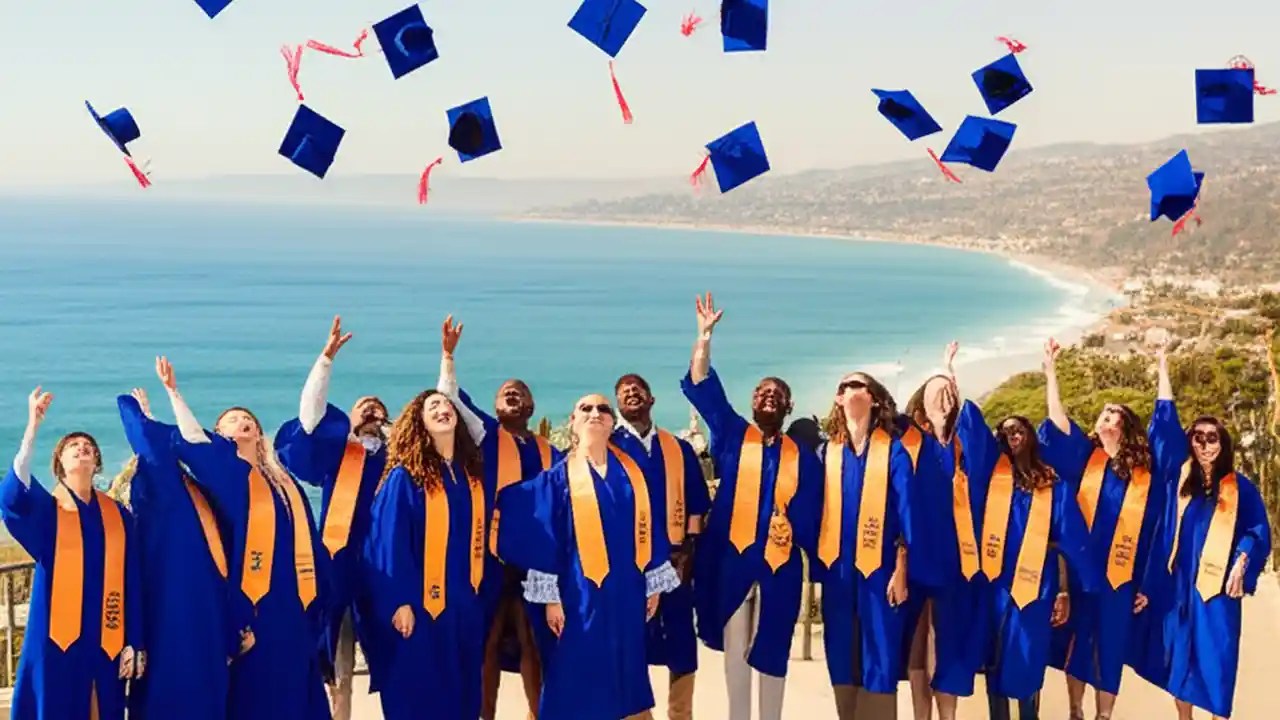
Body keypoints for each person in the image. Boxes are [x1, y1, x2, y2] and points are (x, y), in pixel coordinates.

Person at [158, 357, 332, 720]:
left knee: (302, 691)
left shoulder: (284, 481)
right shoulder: (229, 476)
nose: (242, 420)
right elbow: (194, 441)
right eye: (231, 420)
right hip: (255, 605)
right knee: (259, 694)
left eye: (247, 418)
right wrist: (173, 393)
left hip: (298, 603)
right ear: (221, 436)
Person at [679, 293, 822, 720]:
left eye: (778, 393)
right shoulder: (732, 434)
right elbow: (703, 386)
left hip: (779, 566)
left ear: (788, 406)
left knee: (774, 651)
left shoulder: (804, 456)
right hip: (732, 559)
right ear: (753, 401)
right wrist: (703, 338)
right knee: (735, 655)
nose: (769, 396)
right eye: (762, 391)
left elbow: (815, 514)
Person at [495, 393, 680, 720]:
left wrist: (653, 582)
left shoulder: (633, 476)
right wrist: (551, 597)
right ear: (573, 422)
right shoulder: (557, 479)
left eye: (603, 409)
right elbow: (542, 534)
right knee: (573, 674)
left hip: (626, 593)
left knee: (624, 674)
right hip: (578, 595)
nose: (595, 413)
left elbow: (649, 530)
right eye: (586, 408)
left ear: (612, 423)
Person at [432, 315, 564, 718]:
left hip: (536, 563)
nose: (512, 394)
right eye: (505, 392)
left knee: (533, 642)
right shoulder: (486, 436)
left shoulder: (551, 453)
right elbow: (449, 399)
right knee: (485, 642)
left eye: (519, 392)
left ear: (531, 407)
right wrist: (448, 357)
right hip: (487, 554)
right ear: (494, 406)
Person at [1036, 339, 1173, 720]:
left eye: (1114, 416)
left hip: (1121, 577)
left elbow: (1163, 423)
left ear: (1126, 427)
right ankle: (1076, 711)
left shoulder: (1146, 474)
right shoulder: (1086, 457)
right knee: (1075, 644)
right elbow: (1059, 425)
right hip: (1083, 573)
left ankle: (1104, 715)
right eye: (1103, 415)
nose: (1105, 419)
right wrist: (1051, 373)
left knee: (1109, 648)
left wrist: (1162, 366)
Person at [1141, 349, 1271, 720]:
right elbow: (1164, 426)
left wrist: (1243, 559)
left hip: (1217, 591)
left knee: (1218, 657)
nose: (1205, 444)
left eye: (1212, 437)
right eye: (1197, 437)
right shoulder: (1178, 481)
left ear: (1222, 442)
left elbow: (1257, 529)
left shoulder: (1239, 487)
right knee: (1179, 658)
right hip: (1179, 585)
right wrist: (1163, 365)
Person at [273, 317, 392, 719]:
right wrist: (325, 361)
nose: (372, 409)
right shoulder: (338, 452)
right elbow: (310, 416)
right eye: (364, 405)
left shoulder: (400, 462)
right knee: (337, 666)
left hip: (388, 567)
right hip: (339, 562)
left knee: (400, 660)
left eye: (379, 407)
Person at [2, 388, 143, 719]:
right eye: (73, 447)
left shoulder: (118, 515)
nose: (83, 448)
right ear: (59, 463)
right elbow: (13, 497)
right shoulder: (49, 511)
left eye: (89, 448)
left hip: (106, 638)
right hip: (55, 640)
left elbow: (132, 578)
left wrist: (135, 641)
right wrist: (32, 428)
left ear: (96, 464)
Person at [957, 397, 1096, 720]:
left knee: (1029, 657)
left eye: (1018, 430)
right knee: (995, 656)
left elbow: (1070, 540)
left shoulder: (1052, 485)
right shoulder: (990, 481)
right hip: (995, 585)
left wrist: (1073, 586)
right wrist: (952, 381)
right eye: (1004, 433)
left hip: (1036, 586)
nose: (1011, 436)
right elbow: (973, 438)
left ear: (1031, 435)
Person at [116, 388, 246, 720]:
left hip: (208, 612)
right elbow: (151, 447)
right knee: (171, 695)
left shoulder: (202, 490)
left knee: (207, 695)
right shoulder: (157, 487)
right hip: (168, 608)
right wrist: (145, 419)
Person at [363, 387, 491, 720]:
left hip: (464, 604)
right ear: (419, 423)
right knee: (419, 691)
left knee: (463, 694)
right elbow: (386, 544)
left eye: (447, 404)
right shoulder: (405, 478)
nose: (442, 408)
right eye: (432, 407)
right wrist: (398, 601)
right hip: (420, 607)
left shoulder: (471, 478)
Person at [815, 367, 921, 720]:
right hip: (838, 571)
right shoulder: (826, 453)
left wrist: (902, 570)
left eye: (857, 385)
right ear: (838, 399)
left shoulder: (893, 452)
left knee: (880, 651)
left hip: (880, 571)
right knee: (842, 653)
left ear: (874, 399)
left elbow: (908, 513)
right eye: (844, 386)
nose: (849, 390)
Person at [612, 372, 713, 720]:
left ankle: (680, 713)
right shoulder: (608, 449)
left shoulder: (678, 448)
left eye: (638, 388)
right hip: (626, 567)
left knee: (681, 642)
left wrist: (687, 552)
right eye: (624, 391)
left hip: (674, 563)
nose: (632, 393)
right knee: (631, 642)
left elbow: (697, 507)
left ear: (651, 399)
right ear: (617, 405)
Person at [898, 343, 989, 720]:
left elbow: (982, 450)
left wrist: (950, 374)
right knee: (917, 647)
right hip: (917, 558)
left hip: (958, 561)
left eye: (949, 393)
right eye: (936, 393)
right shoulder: (907, 446)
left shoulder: (965, 445)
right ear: (919, 405)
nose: (944, 398)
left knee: (948, 645)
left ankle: (947, 717)